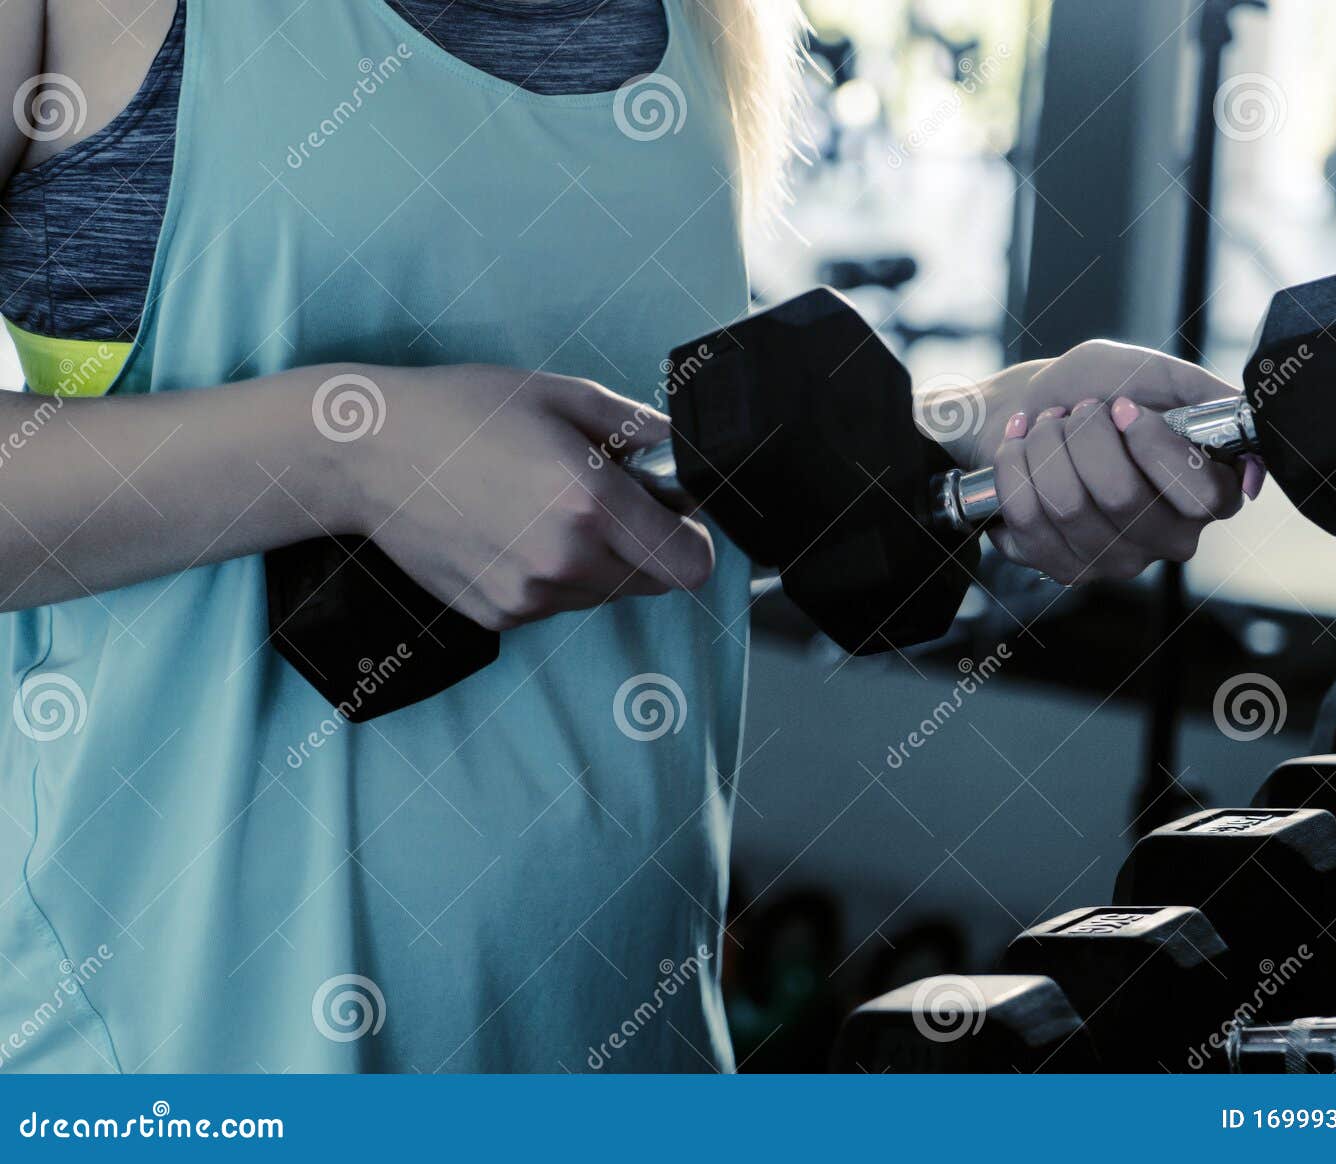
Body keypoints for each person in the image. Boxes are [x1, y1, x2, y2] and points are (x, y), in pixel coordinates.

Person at [0, 0, 1247, 1072]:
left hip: (620, 1037)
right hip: (182, 1051)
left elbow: (644, 471)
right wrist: (347, 450)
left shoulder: (698, 22)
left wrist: (973, 438)